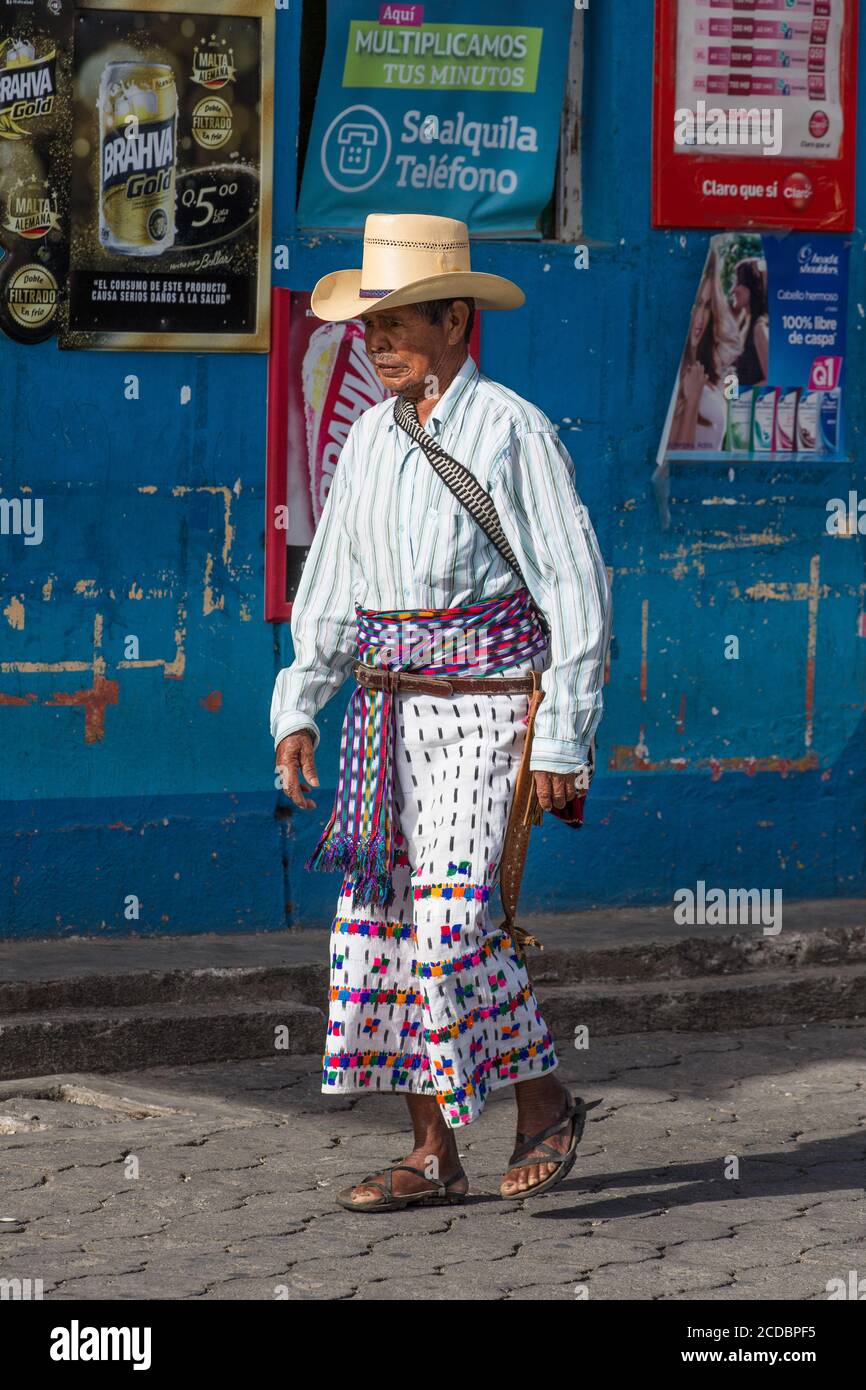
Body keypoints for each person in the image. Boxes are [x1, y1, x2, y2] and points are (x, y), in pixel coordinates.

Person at [271, 213, 611, 1210]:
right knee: (376, 930)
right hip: (384, 721)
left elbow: (574, 587)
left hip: (488, 709)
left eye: (398, 321)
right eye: (367, 326)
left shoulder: (511, 430)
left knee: (454, 925)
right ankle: (430, 1151)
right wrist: (300, 703)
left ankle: (541, 1098)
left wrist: (563, 733)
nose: (375, 342)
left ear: (456, 320)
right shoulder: (368, 443)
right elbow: (333, 583)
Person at [668, 247, 741, 451]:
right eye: (696, 305)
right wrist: (693, 399)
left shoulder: (710, 368)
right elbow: (679, 454)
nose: (699, 318)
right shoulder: (682, 379)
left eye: (707, 306)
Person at [730, 256, 769, 388]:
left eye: (738, 283)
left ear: (752, 287)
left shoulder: (759, 328)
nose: (733, 290)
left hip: (753, 407)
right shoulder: (741, 324)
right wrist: (729, 397)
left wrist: (741, 398)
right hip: (736, 407)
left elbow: (772, 381)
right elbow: (733, 377)